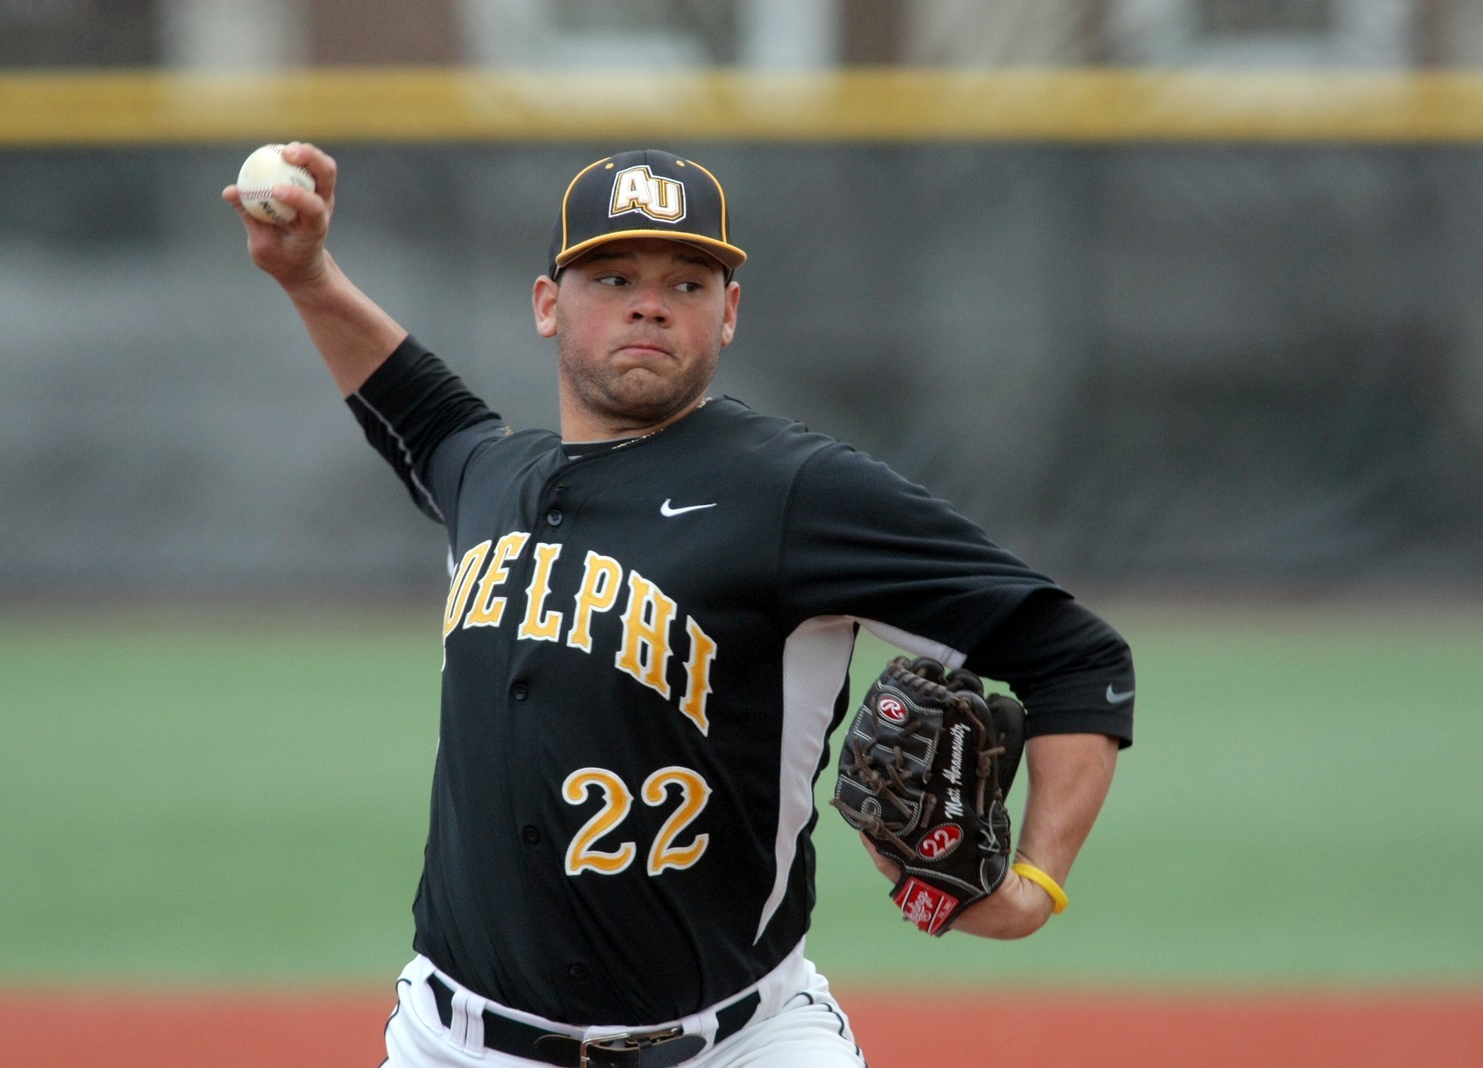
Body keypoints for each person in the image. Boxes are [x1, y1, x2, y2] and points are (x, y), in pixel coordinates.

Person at [225, 144, 1134, 1068]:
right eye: (612, 277)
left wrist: (1033, 888)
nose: (649, 303)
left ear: (728, 313)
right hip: (458, 1045)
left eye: (687, 283)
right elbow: (419, 410)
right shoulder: (491, 479)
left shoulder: (795, 491)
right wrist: (309, 276)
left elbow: (1077, 659)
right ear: (547, 305)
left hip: (741, 1045)